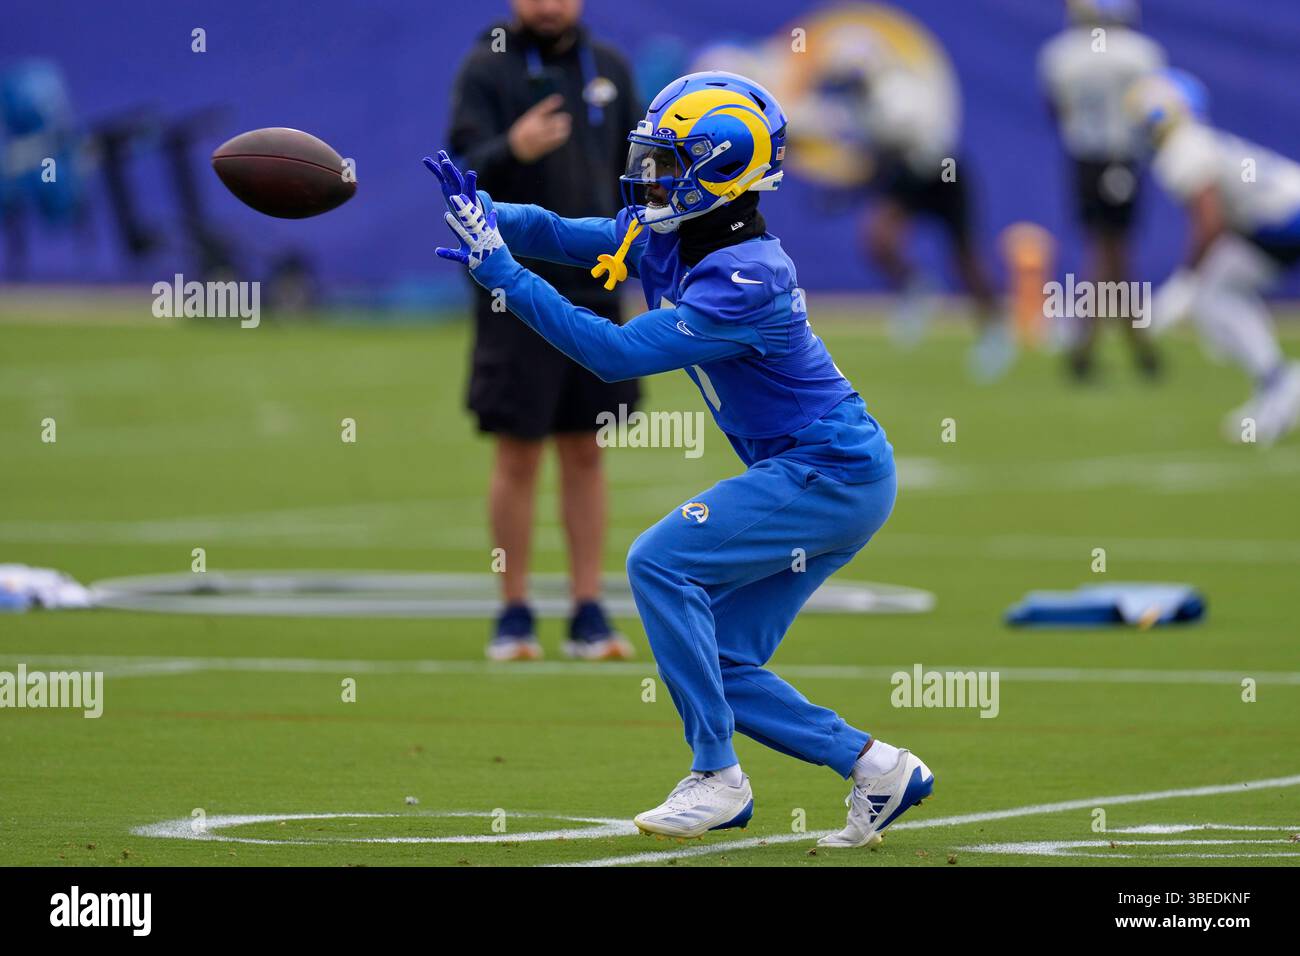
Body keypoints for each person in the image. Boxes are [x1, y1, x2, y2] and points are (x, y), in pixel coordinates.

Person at [423, 70, 933, 845]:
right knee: (721, 661)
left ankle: (717, 776)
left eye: (666, 161)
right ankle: (876, 768)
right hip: (817, 467)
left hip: (829, 471)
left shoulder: (746, 277)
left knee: (660, 563)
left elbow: (612, 353)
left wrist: (499, 271)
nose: (646, 174)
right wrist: (486, 213)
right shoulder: (682, 235)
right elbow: (566, 233)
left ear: (721, 171)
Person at [447, 0, 640, 661]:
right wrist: (512, 148)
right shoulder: (486, 66)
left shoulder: (609, 67)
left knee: (586, 449)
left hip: (597, 286)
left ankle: (589, 608)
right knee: (518, 451)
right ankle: (514, 611)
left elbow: (639, 178)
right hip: (515, 293)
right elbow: (458, 174)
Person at [1130, 68, 1300, 444]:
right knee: (1220, 293)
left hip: (1287, 220)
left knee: (1214, 294)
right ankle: (1276, 383)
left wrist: (1185, 283)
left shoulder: (1182, 147)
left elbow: (1209, 221)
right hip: (1282, 219)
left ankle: (1278, 383)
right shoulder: (1196, 141)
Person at [1039, 0, 1164, 380]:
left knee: (1110, 250)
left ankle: (1123, 344)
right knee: (1110, 250)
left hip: (1084, 160)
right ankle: (1097, 343)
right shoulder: (1141, 54)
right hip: (1121, 157)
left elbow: (1056, 110)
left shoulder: (1060, 55)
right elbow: (1154, 110)